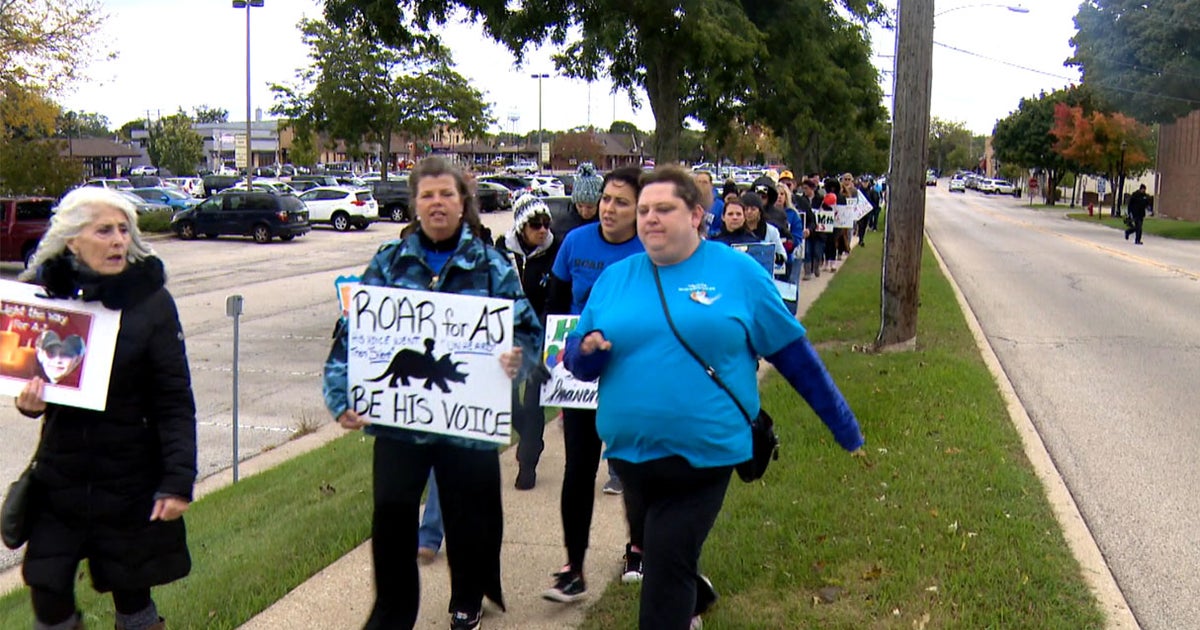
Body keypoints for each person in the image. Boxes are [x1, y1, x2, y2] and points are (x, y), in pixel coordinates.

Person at [563, 166, 864, 629]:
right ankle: (691, 592)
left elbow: (795, 358)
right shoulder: (615, 280)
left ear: (698, 215)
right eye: (644, 210)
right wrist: (585, 353)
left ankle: (677, 599)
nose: (650, 219)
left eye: (664, 209)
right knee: (666, 552)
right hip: (631, 456)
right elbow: (579, 360)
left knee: (662, 565)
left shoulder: (737, 273)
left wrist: (844, 427)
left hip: (705, 454)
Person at [322, 157, 542, 630]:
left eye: (447, 194)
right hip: (401, 423)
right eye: (428, 195)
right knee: (392, 513)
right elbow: (352, 334)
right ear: (414, 204)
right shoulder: (388, 260)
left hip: (469, 423)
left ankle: (466, 599)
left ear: (464, 203)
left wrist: (517, 357)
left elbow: (528, 330)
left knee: (472, 517)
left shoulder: (490, 264)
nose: (437, 203)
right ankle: (393, 611)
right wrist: (342, 397)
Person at [14, 187, 197, 630]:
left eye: (123, 229)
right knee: (46, 587)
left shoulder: (152, 304)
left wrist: (177, 481)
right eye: (104, 230)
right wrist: (30, 403)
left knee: (133, 600)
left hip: (130, 480)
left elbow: (175, 401)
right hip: (61, 477)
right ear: (74, 240)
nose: (118, 240)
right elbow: (38, 384)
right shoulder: (45, 301)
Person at [544, 165, 646, 602]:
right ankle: (574, 566)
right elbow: (555, 303)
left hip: (631, 374)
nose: (609, 208)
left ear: (640, 210)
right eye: (606, 199)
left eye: (621, 202)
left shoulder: (649, 250)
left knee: (631, 468)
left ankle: (638, 548)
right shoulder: (575, 242)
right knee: (578, 468)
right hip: (580, 372)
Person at [495, 193, 561, 490]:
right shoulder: (500, 251)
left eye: (547, 223)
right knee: (506, 401)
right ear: (522, 226)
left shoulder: (556, 252)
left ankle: (528, 460)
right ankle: (530, 437)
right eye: (536, 224)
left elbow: (557, 296)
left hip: (539, 337)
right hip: (505, 337)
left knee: (533, 401)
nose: (543, 229)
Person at [550, 162, 603, 237]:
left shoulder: (607, 225)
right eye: (580, 206)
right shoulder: (561, 226)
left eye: (590, 207)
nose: (585, 212)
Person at [739, 192, 786, 274]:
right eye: (745, 209)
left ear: (760, 211)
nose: (749, 212)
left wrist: (771, 257)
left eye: (753, 209)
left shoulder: (771, 231)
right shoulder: (736, 230)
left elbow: (783, 256)